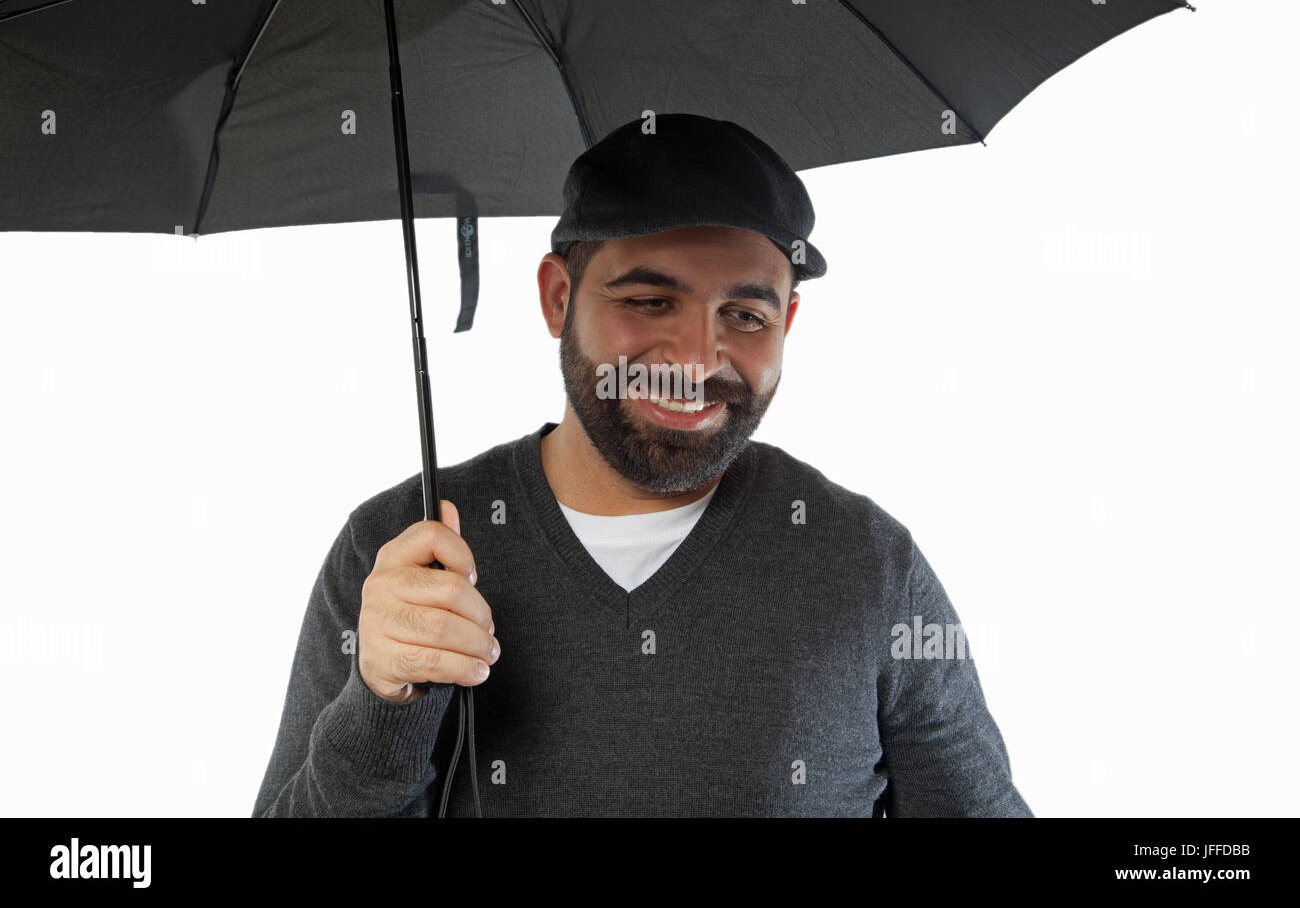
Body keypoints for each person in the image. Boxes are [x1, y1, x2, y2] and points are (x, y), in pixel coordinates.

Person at [252, 112, 1033, 817]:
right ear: (559, 297)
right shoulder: (398, 551)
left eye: (745, 315)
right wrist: (382, 705)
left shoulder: (868, 564)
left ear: (789, 318)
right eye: (650, 301)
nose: (697, 360)